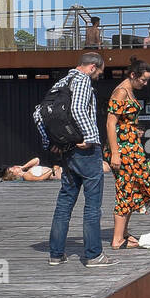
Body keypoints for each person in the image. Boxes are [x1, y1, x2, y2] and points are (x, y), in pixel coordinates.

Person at [34, 51, 115, 266]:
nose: (99, 76)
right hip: (86, 151)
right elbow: (79, 109)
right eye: (99, 72)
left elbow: (38, 114)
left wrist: (48, 142)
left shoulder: (61, 82)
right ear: (91, 67)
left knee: (65, 201)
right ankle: (93, 255)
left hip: (67, 150)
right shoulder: (82, 81)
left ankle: (56, 254)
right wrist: (89, 137)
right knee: (92, 204)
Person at [105, 58, 150, 249]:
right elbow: (110, 123)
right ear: (133, 75)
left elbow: (123, 123)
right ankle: (117, 239)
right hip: (123, 149)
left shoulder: (129, 91)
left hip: (131, 146)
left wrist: (133, 131)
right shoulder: (121, 92)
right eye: (143, 80)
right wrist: (115, 153)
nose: (145, 84)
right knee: (125, 189)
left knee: (134, 187)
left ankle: (124, 233)